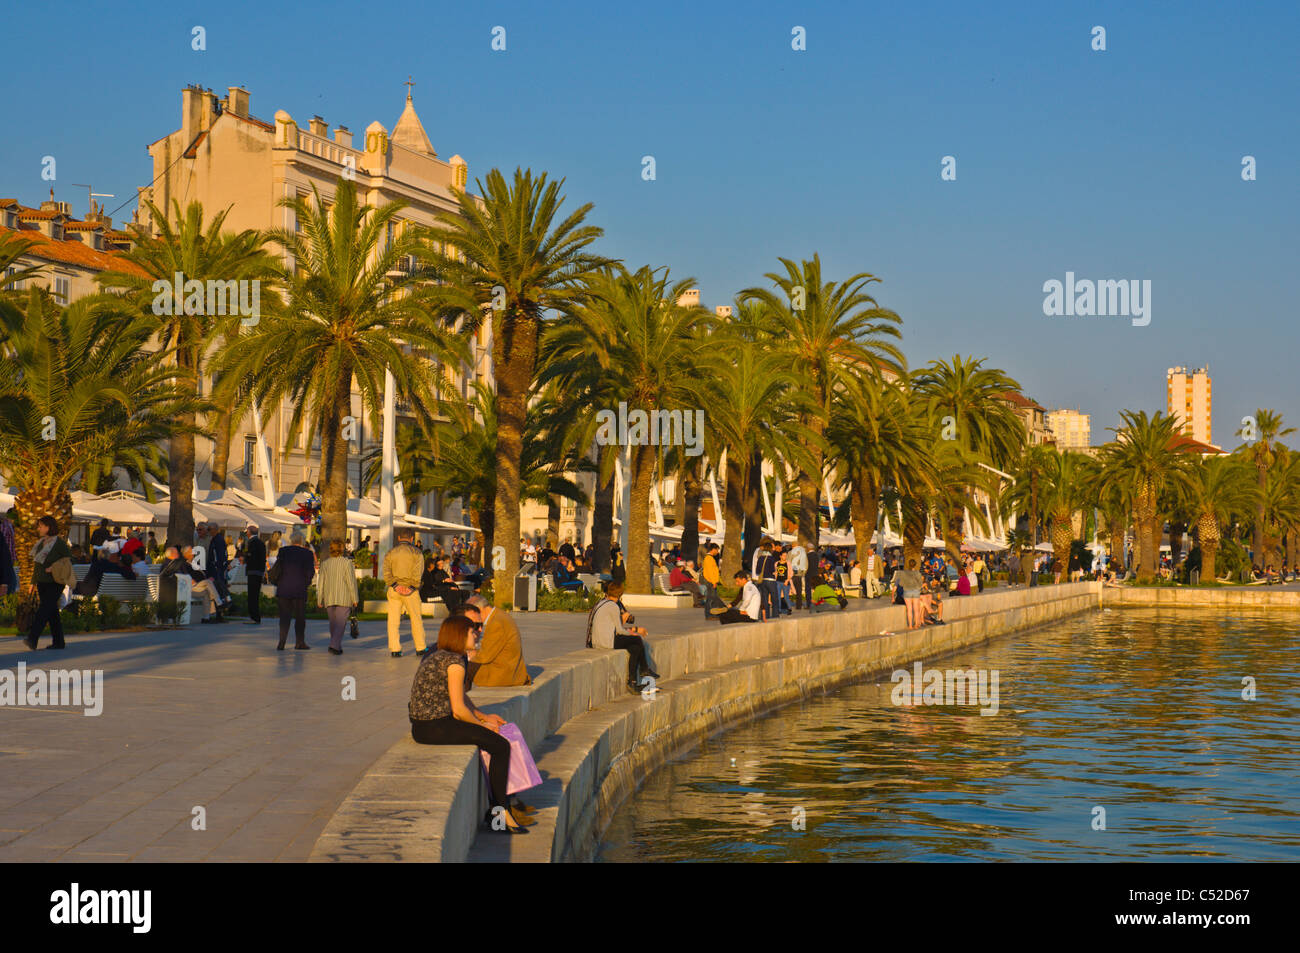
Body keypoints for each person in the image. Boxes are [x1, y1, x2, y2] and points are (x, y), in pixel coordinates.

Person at [408, 615, 531, 834]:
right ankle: (499, 813)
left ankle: (500, 809)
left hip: (425, 726)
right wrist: (482, 727)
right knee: (500, 746)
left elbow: (462, 698)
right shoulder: (454, 662)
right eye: (472, 631)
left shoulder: (440, 655)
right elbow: (458, 709)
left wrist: (483, 717)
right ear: (459, 635)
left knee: (495, 740)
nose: (477, 634)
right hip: (435, 727)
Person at [585, 582, 658, 693]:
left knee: (635, 649)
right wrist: (634, 633)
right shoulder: (613, 606)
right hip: (607, 642)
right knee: (637, 640)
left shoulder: (602, 603)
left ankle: (632, 683)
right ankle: (644, 669)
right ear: (620, 595)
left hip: (598, 641)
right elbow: (619, 630)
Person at [23, 515, 73, 650]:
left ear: (48, 527)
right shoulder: (40, 543)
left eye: (41, 526)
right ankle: (59, 642)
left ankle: (32, 638)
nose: (38, 528)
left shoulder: (59, 543)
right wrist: (33, 583)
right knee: (52, 612)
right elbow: (37, 565)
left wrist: (54, 567)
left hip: (55, 582)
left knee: (44, 609)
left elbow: (68, 560)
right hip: (42, 582)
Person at [462, 595, 531, 688]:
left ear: (478, 609)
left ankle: (459, 700)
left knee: (460, 666)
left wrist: (471, 653)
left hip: (503, 676)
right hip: (508, 670)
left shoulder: (496, 623)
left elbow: (484, 657)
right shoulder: (499, 615)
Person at [383, 527, 427, 658]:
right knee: (416, 619)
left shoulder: (391, 553)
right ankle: (420, 647)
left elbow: (386, 572)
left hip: (394, 589)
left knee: (393, 620)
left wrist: (396, 586)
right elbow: (418, 572)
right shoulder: (417, 553)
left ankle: (395, 648)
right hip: (411, 590)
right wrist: (411, 587)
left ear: (398, 538)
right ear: (412, 538)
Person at [272, 531, 316, 650]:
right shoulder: (307, 553)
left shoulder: (283, 551)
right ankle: (299, 642)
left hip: (284, 588)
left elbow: (278, 568)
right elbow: (310, 572)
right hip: (299, 589)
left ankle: (282, 642)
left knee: (284, 617)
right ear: (301, 541)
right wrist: (306, 582)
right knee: (300, 617)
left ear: (291, 540)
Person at [316, 539, 358, 655]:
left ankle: (336, 646)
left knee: (334, 623)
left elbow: (321, 583)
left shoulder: (325, 563)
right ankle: (334, 645)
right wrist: (355, 599)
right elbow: (351, 582)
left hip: (329, 597)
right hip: (343, 597)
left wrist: (320, 599)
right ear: (342, 549)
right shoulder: (347, 563)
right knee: (340, 623)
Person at [893, 558, 925, 630]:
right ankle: (916, 624)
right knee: (916, 609)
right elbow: (920, 584)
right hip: (916, 591)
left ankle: (910, 625)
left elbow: (900, 583)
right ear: (915, 565)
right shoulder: (918, 573)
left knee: (909, 609)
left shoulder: (904, 573)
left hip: (907, 591)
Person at [244, 526, 267, 625]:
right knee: (255, 594)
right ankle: (255, 616)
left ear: (249, 532)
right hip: (259, 571)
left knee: (252, 594)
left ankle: (254, 616)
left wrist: (246, 559)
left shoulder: (252, 542)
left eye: (247, 531)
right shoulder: (261, 542)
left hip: (253, 571)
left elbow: (251, 556)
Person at [700, 542, 725, 616]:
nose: (717, 552)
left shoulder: (710, 558)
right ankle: (722, 608)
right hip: (710, 581)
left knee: (711, 598)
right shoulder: (709, 558)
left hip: (711, 581)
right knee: (711, 598)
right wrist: (714, 582)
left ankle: (714, 613)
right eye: (717, 550)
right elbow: (710, 572)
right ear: (713, 549)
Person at [1, 514, 20, 596]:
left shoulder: (4, 527)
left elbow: (3, 556)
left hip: (7, 564)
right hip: (12, 560)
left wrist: (4, 583)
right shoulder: (8, 526)